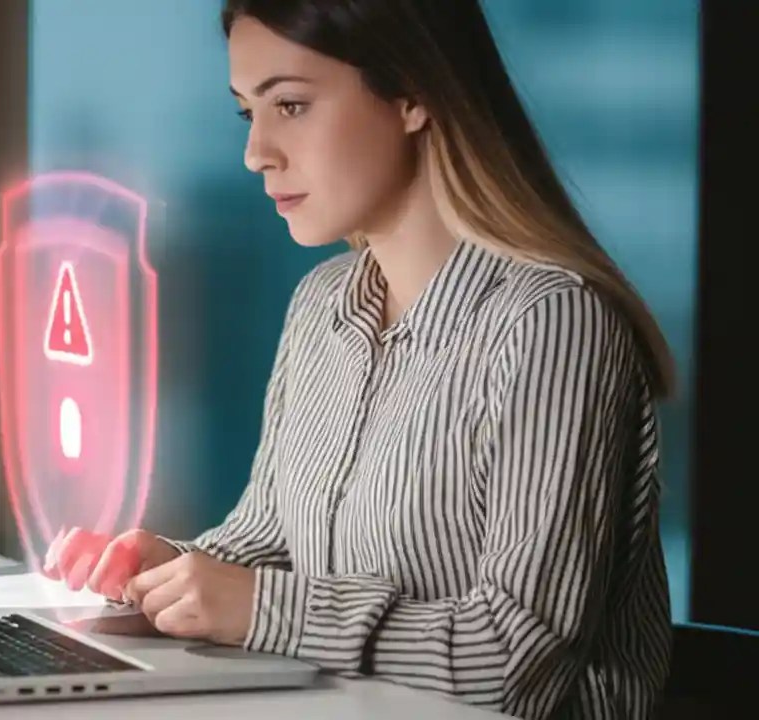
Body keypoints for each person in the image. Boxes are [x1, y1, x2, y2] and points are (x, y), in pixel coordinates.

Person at [40, 1, 674, 718]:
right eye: (250, 114)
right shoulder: (322, 308)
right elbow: (268, 545)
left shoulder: (552, 324)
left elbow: (517, 655)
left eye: (292, 105)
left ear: (414, 95)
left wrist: (254, 608)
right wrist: (167, 569)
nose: (257, 153)